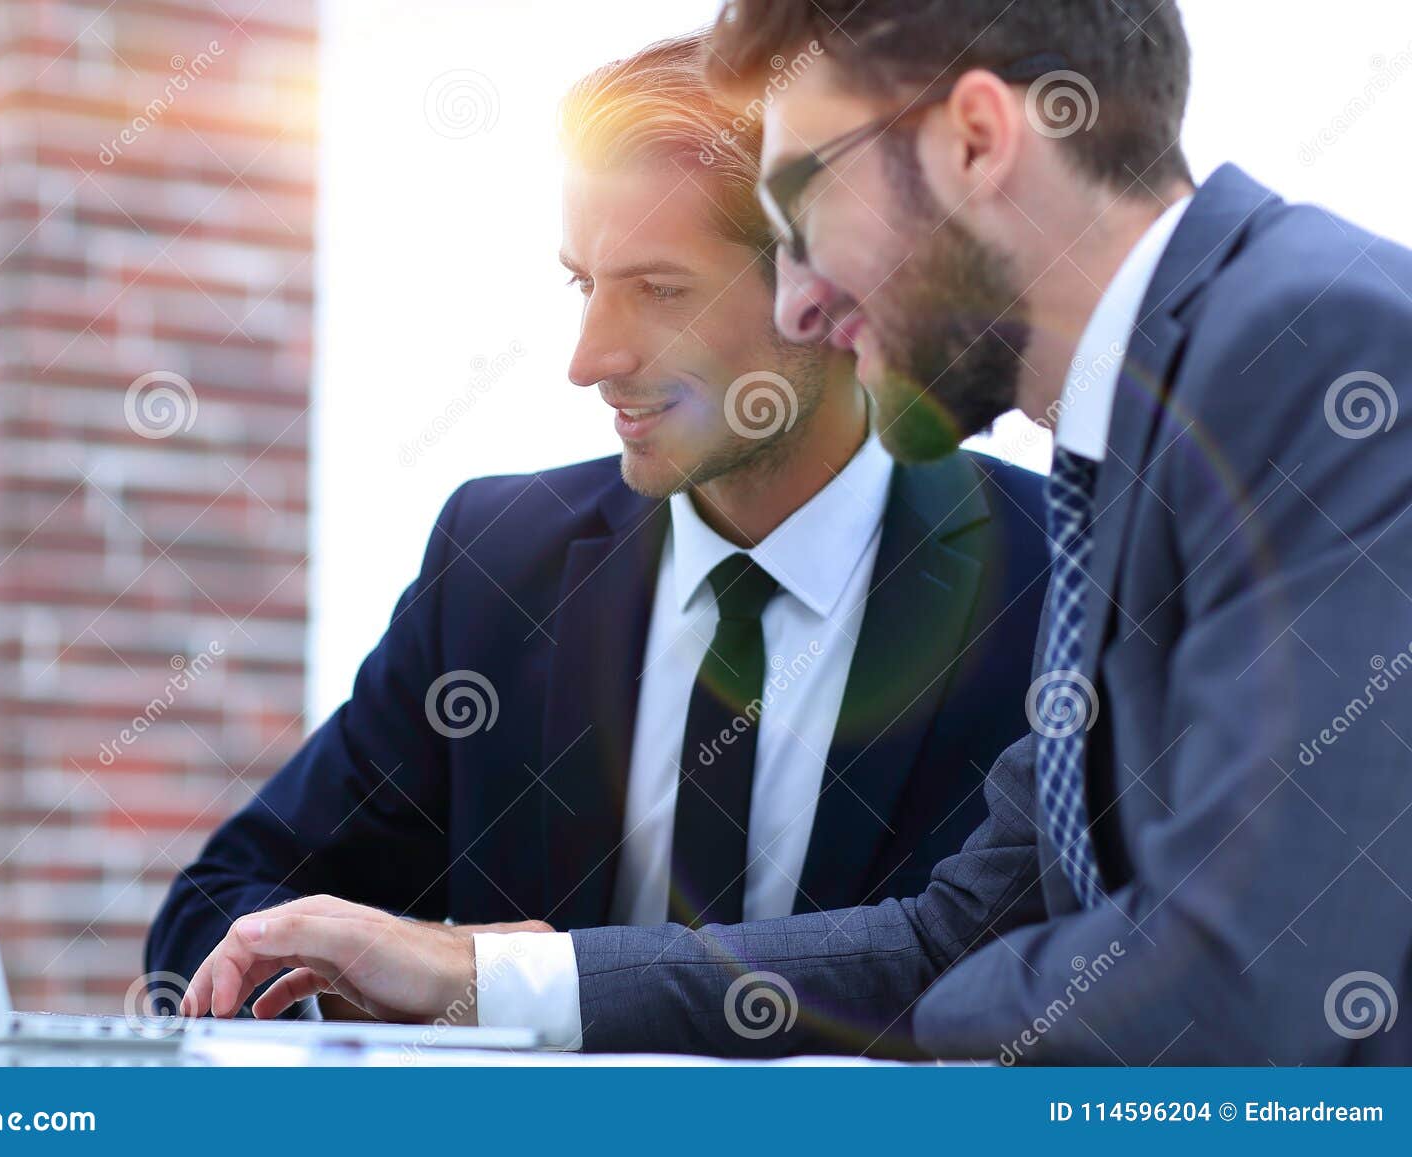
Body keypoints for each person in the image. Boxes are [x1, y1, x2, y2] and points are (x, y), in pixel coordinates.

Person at [179, 0, 1412, 1065]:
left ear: (978, 142)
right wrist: (489, 981)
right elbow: (961, 934)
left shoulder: (1313, 346)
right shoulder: (1138, 435)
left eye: (808, 197)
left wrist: (894, 1052)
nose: (805, 298)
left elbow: (1251, 980)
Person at [149, 30, 1049, 1021]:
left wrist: (503, 984)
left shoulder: (1052, 580)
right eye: (585, 283)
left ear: (833, 288)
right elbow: (220, 905)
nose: (589, 357)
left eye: (659, 290)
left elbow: (1017, 976)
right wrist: (374, 990)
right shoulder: (498, 560)